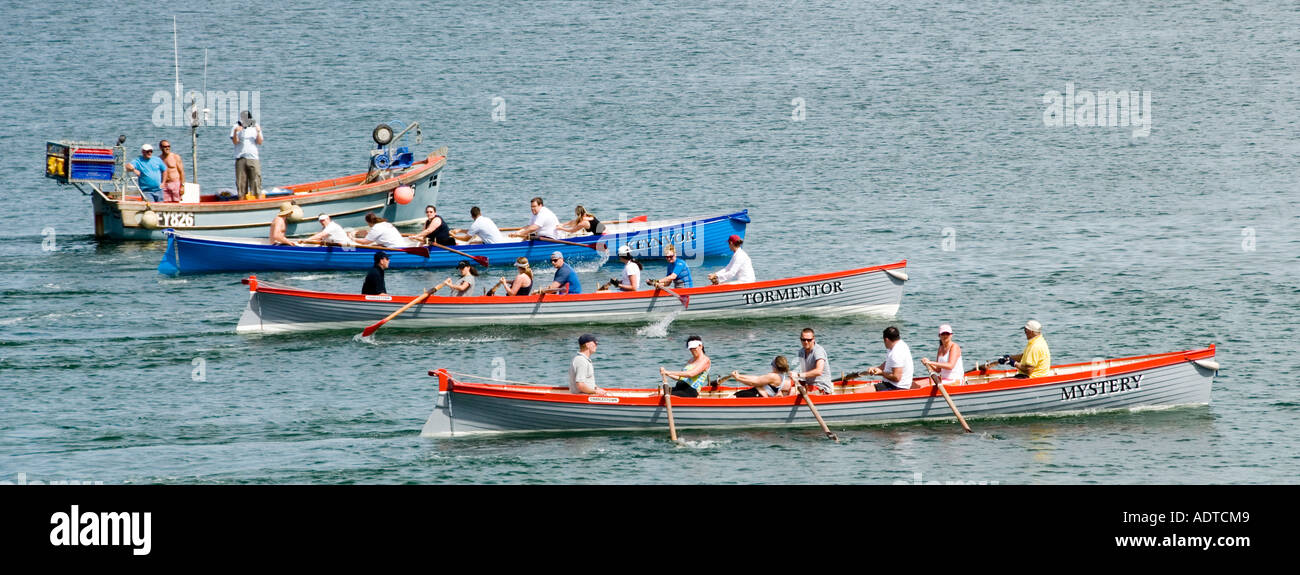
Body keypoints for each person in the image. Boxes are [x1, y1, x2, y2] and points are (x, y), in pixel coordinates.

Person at [865, 326, 915, 391]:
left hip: (896, 387)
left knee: (858, 392)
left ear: (886, 339)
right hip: (891, 383)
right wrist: (878, 368)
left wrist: (881, 373)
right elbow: (889, 362)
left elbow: (897, 378)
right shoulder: (899, 344)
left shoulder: (896, 353)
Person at [230, 111, 264, 200]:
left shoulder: (254, 126)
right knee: (241, 184)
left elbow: (260, 142)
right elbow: (235, 142)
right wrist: (235, 132)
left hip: (253, 157)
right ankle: (241, 201)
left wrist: (259, 131)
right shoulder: (236, 126)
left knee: (256, 181)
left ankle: (259, 201)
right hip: (240, 157)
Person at [730, 356, 795, 398]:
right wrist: (739, 375)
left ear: (775, 366)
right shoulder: (781, 375)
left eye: (772, 364)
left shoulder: (773, 376)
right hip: (757, 392)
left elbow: (752, 383)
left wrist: (737, 378)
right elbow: (756, 378)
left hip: (757, 394)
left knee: (734, 396)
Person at [794, 328, 834, 394]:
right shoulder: (801, 352)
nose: (806, 342)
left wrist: (798, 375)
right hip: (808, 386)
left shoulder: (818, 351)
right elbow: (804, 375)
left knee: (793, 393)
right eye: (803, 340)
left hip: (821, 388)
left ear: (813, 339)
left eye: (809, 340)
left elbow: (818, 371)